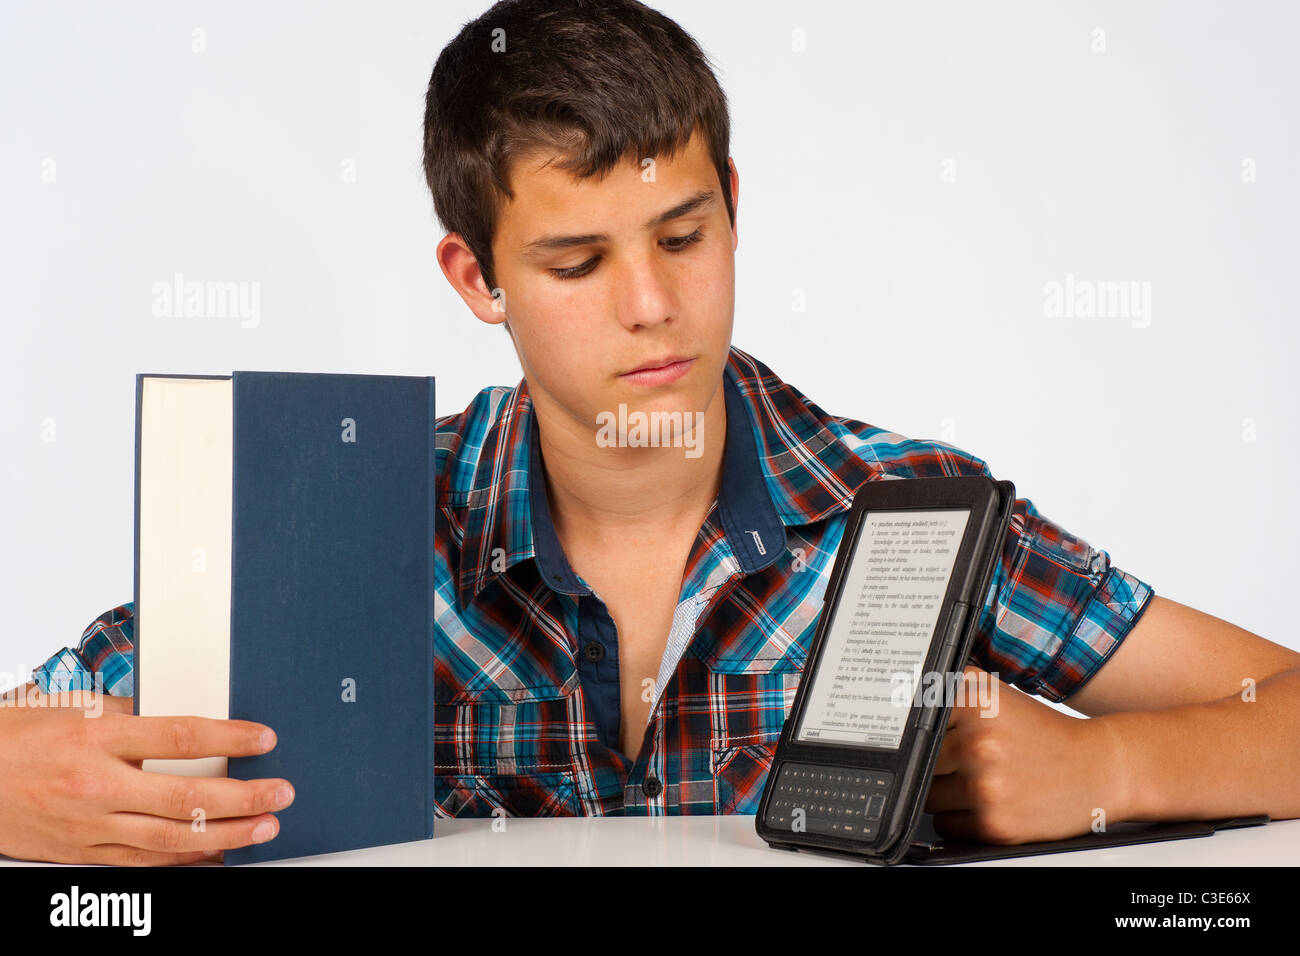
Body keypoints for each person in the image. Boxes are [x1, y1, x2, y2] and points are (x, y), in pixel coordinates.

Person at [4, 0, 1298, 866]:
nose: (652, 307)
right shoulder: (358, 515)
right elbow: (38, 725)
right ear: (475, 278)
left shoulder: (901, 510)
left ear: (732, 205)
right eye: (574, 264)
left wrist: (1107, 765)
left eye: (684, 236)